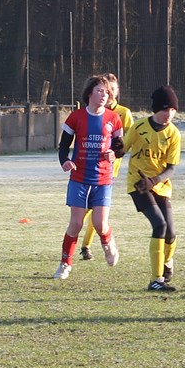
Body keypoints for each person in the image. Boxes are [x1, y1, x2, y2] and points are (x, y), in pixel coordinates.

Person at [53, 74, 124, 280]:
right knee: (76, 224)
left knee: (100, 224)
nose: (104, 95)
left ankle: (109, 244)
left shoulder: (113, 118)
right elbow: (63, 146)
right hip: (79, 178)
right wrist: (65, 161)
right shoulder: (76, 117)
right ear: (89, 94)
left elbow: (119, 148)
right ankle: (65, 264)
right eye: (100, 91)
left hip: (103, 179)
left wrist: (114, 153)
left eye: (107, 92)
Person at [124, 85, 182, 292]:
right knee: (159, 225)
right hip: (138, 185)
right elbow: (122, 148)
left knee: (171, 234)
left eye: (173, 110)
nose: (169, 114)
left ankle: (167, 262)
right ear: (156, 109)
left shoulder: (174, 133)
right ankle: (156, 280)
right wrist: (114, 148)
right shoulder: (139, 127)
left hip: (160, 186)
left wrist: (155, 180)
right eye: (165, 109)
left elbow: (171, 168)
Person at [79, 72, 134, 261]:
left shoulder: (123, 113)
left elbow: (128, 139)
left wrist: (117, 151)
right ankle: (80, 241)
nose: (108, 93)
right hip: (88, 167)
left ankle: (86, 245)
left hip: (108, 169)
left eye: (112, 89)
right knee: (86, 209)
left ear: (116, 92)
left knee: (97, 209)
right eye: (104, 89)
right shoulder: (91, 111)